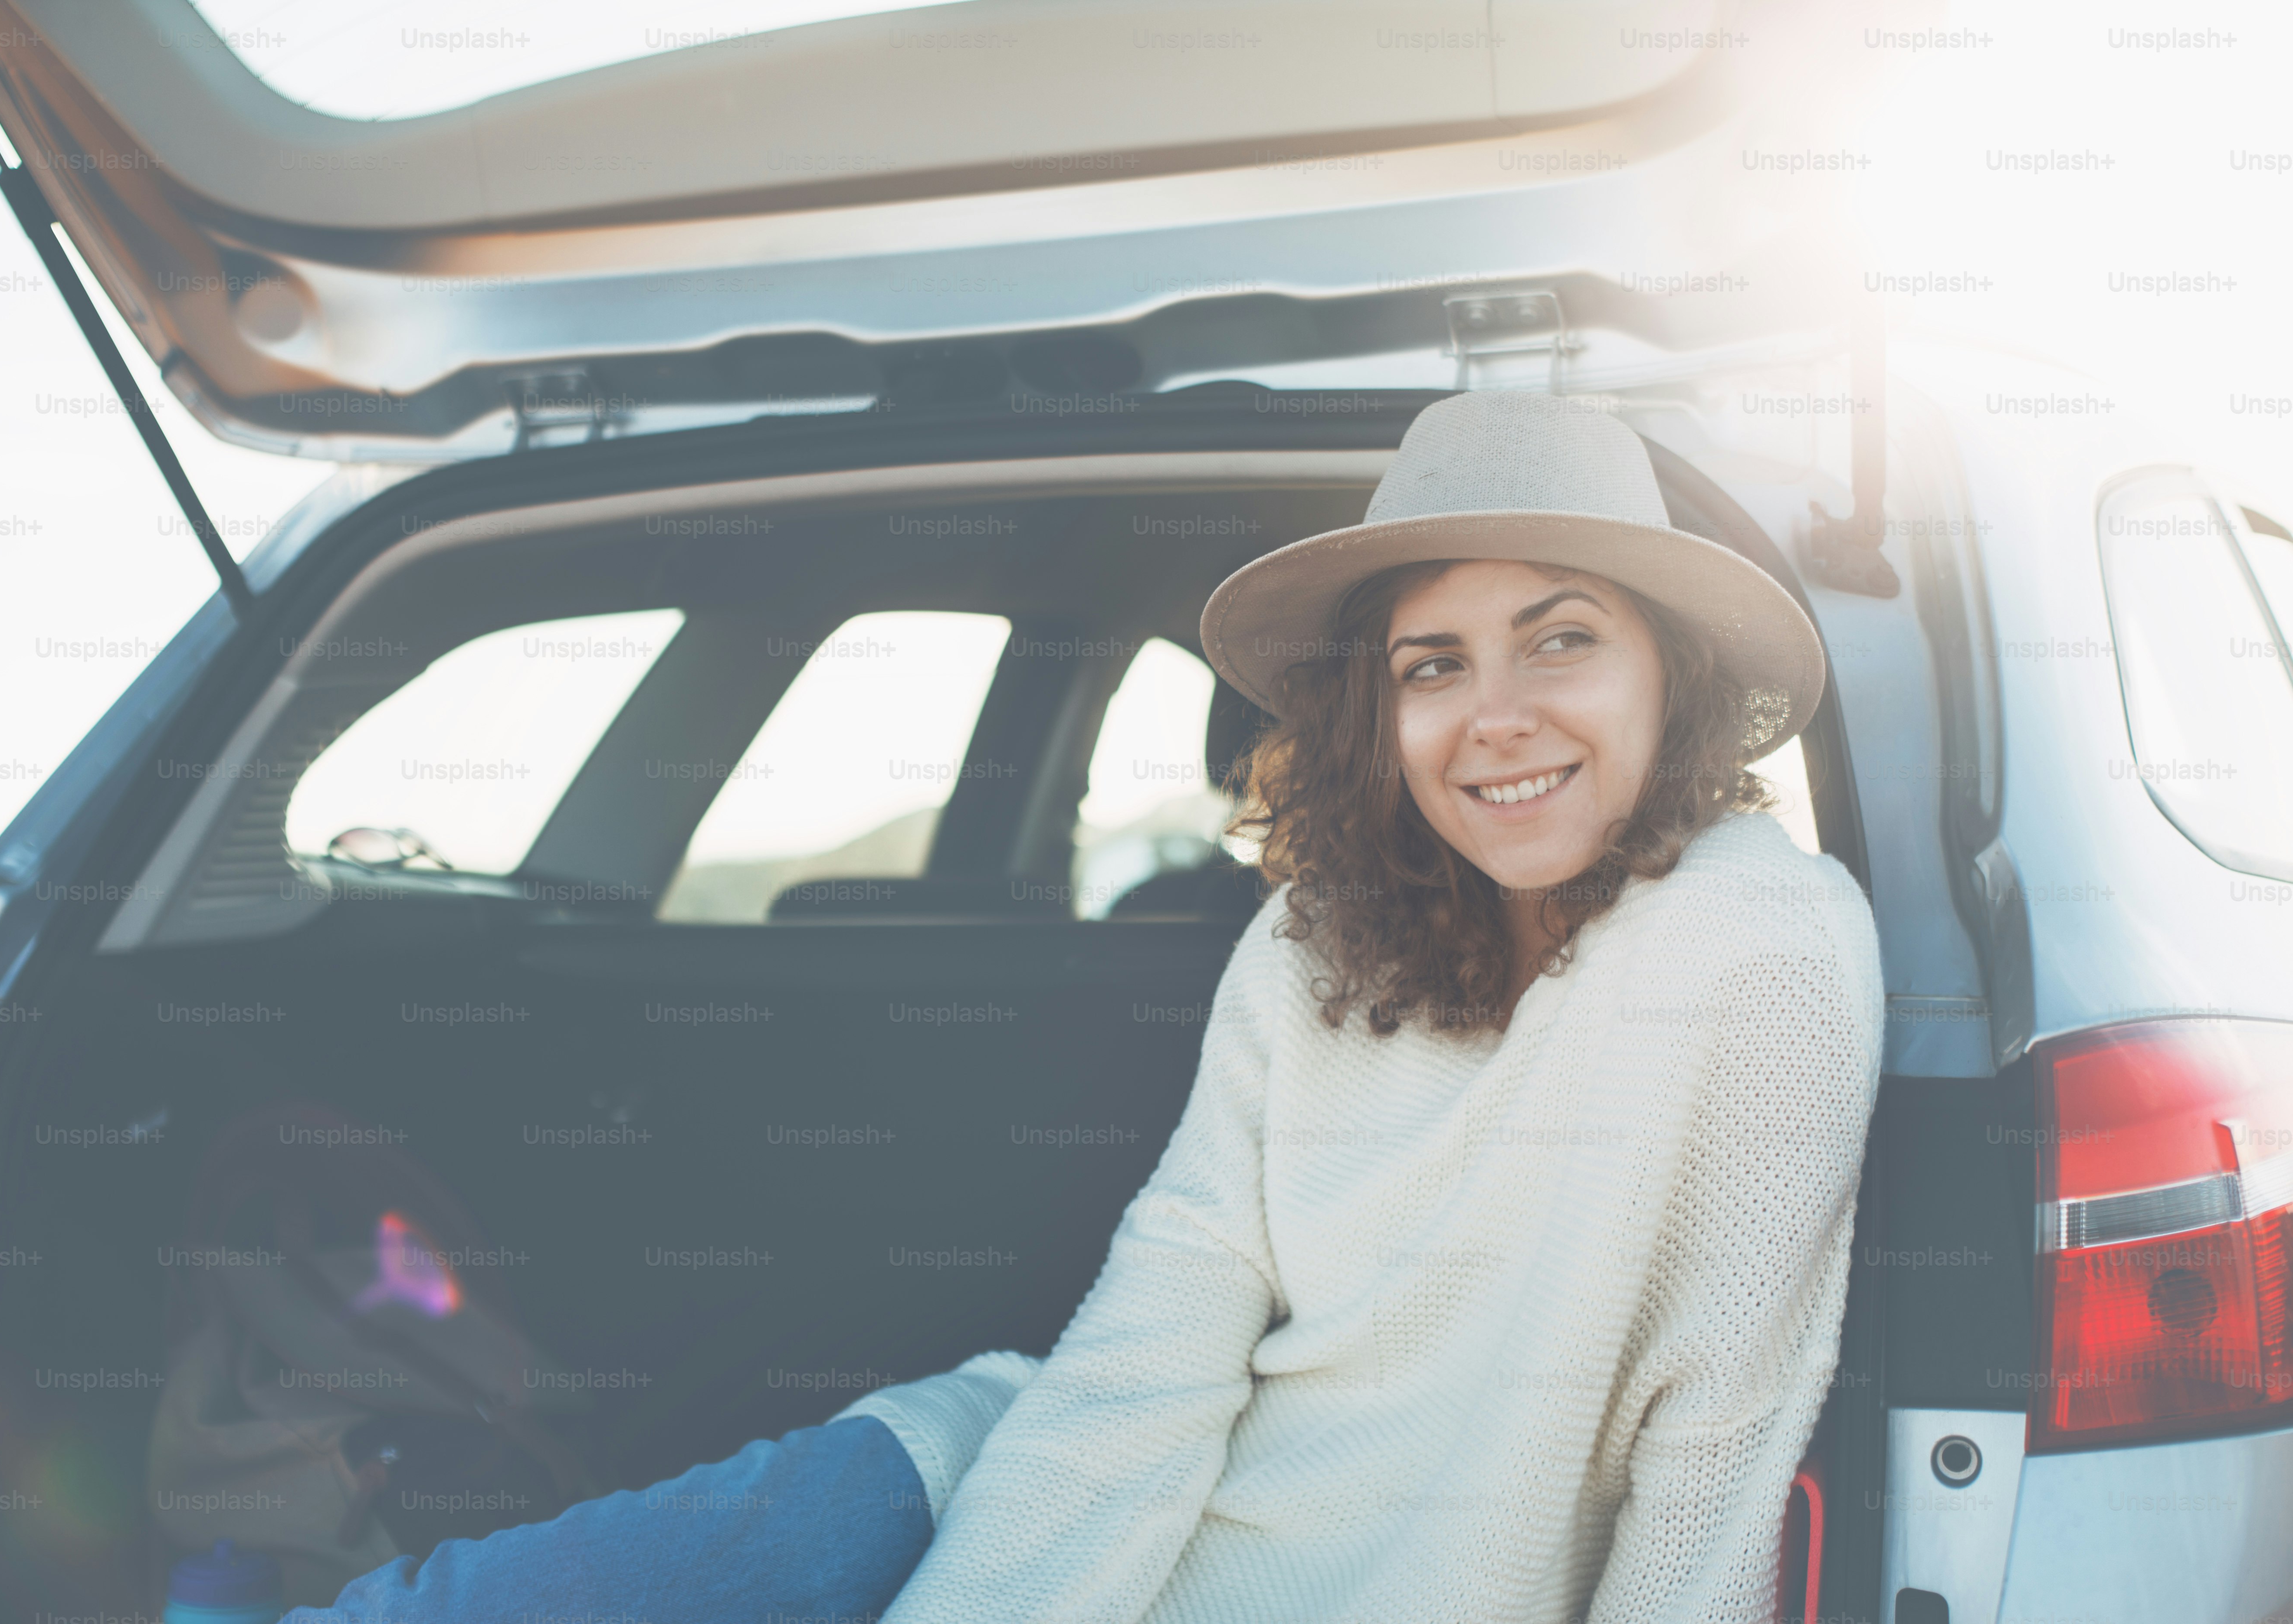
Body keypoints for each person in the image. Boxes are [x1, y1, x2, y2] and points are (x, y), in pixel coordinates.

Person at [281, 389, 1883, 1624]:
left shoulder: (1761, 950)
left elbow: (1714, 1449)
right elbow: (1156, 1328)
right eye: (1433, 665)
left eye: (1562, 641)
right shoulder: (1318, 943)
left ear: (1665, 672)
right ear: (1377, 712)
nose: (1498, 716)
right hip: (1029, 1475)